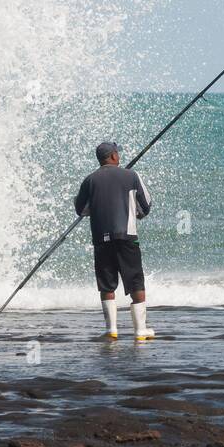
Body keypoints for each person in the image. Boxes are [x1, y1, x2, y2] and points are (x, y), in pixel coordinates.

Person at [74, 141, 155, 340]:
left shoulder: (89, 180)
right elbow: (145, 206)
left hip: (101, 239)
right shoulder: (131, 176)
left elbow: (81, 209)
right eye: (117, 152)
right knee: (135, 282)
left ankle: (111, 330)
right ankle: (140, 331)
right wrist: (136, 213)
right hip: (126, 237)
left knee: (107, 284)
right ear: (112, 156)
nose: (118, 155)